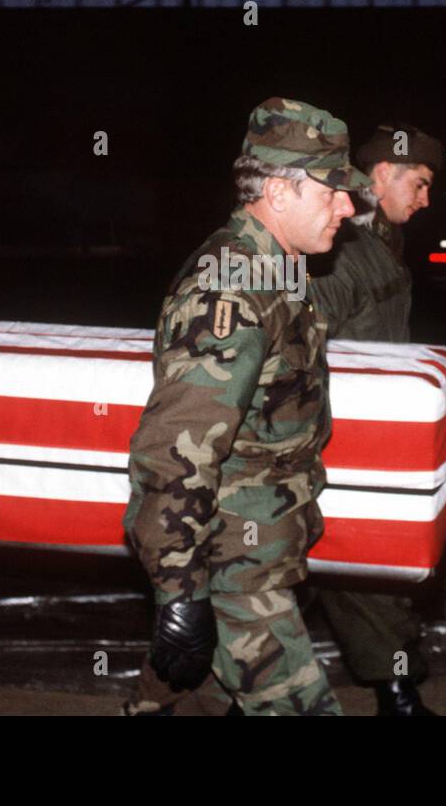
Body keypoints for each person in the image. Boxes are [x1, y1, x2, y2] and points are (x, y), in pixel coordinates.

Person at [122, 97, 370, 716]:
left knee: (179, 700)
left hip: (263, 540)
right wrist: (181, 593)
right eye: (334, 189)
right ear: (279, 191)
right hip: (230, 559)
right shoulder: (229, 290)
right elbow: (176, 451)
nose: (348, 205)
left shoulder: (281, 269)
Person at [307, 122, 443, 715]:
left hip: (362, 434)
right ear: (383, 174)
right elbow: (297, 347)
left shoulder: (378, 239)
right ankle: (397, 694)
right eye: (420, 182)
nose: (427, 198)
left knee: (323, 571)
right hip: (333, 436)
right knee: (351, 566)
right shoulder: (338, 249)